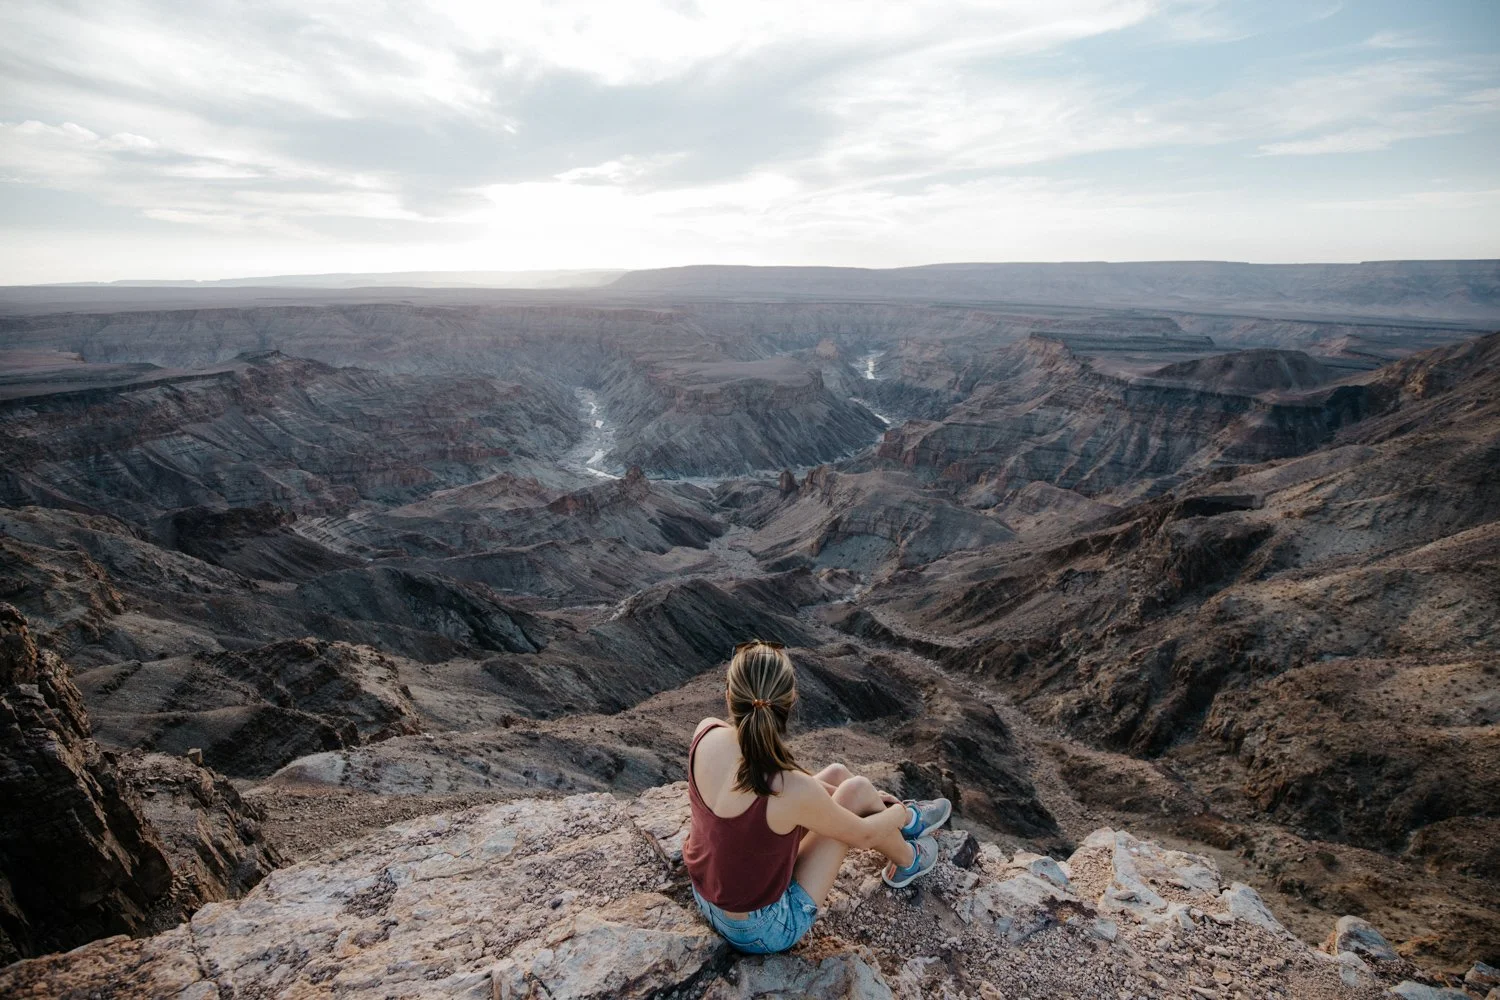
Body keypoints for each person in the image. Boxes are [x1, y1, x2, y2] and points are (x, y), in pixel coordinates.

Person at [682, 640, 952, 954]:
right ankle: (909, 854)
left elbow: (788, 797)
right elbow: (863, 836)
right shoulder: (788, 786)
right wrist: (899, 813)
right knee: (858, 791)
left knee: (838, 774)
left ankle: (907, 834)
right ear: (790, 701)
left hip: (705, 892)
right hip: (760, 929)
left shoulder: (706, 732)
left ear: (729, 695)